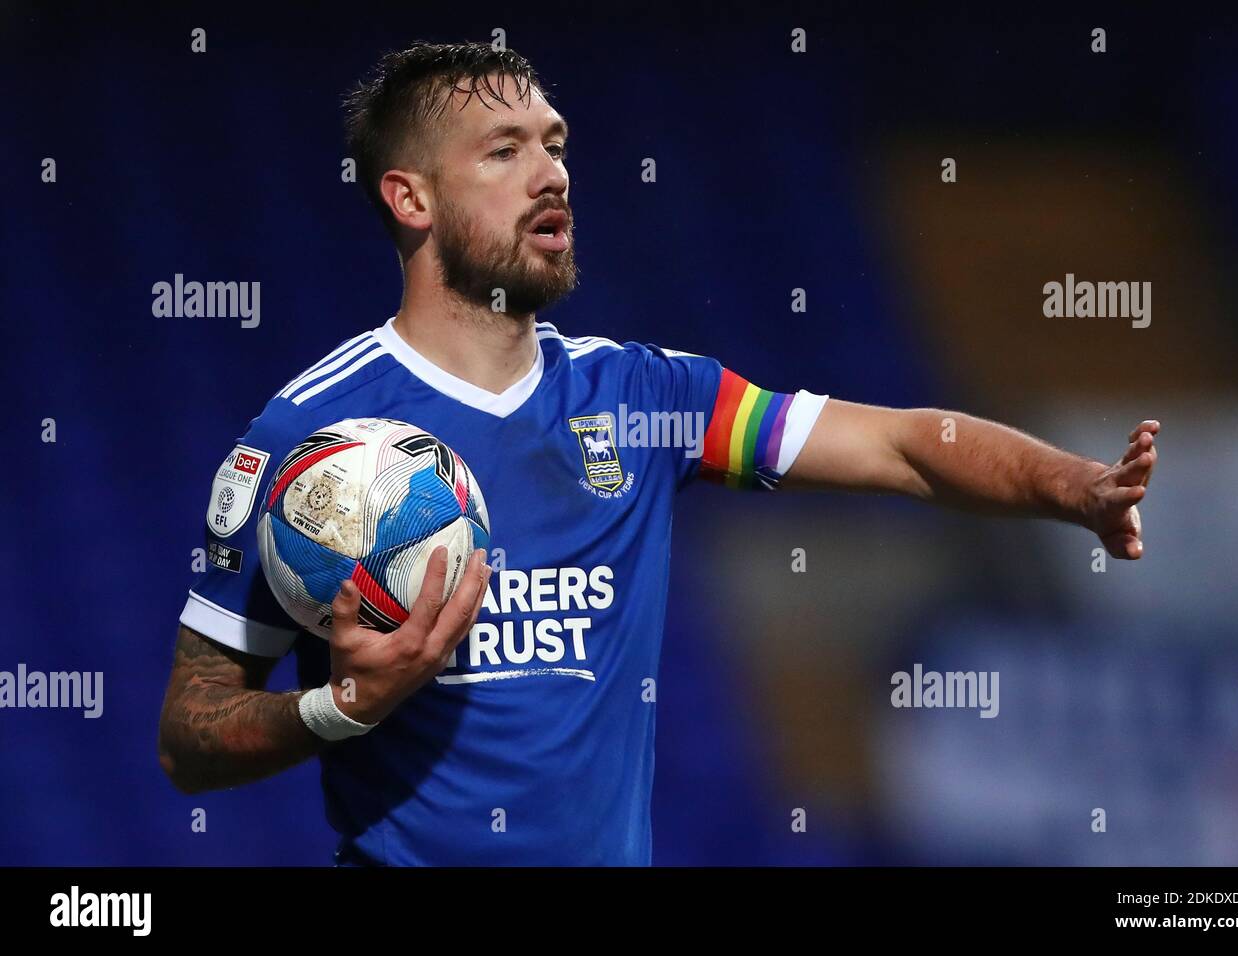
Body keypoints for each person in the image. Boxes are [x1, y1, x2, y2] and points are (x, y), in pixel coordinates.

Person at [158, 41, 1158, 866]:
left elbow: (902, 445)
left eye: (553, 144)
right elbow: (191, 736)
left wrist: (1073, 487)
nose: (551, 171)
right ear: (411, 199)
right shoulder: (304, 443)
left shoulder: (646, 397)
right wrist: (344, 704)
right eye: (502, 151)